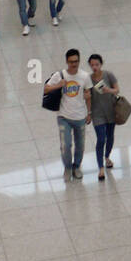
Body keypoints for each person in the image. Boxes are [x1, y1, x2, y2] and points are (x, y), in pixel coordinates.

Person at [45, 49, 91, 179]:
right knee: (66, 145)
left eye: (76, 61)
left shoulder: (85, 76)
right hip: (63, 116)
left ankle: (77, 166)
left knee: (80, 144)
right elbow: (46, 88)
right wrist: (58, 85)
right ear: (66, 62)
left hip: (80, 116)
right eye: (71, 62)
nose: (74, 64)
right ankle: (67, 167)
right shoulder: (59, 75)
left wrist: (89, 112)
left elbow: (88, 96)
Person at [87, 54, 120, 181]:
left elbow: (117, 90)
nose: (94, 67)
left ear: (101, 64)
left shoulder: (108, 75)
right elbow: (88, 97)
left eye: (97, 64)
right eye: (92, 65)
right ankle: (100, 167)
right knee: (101, 138)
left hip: (111, 110)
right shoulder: (88, 79)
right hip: (97, 113)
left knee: (110, 136)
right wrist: (89, 113)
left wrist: (108, 90)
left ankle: (107, 156)